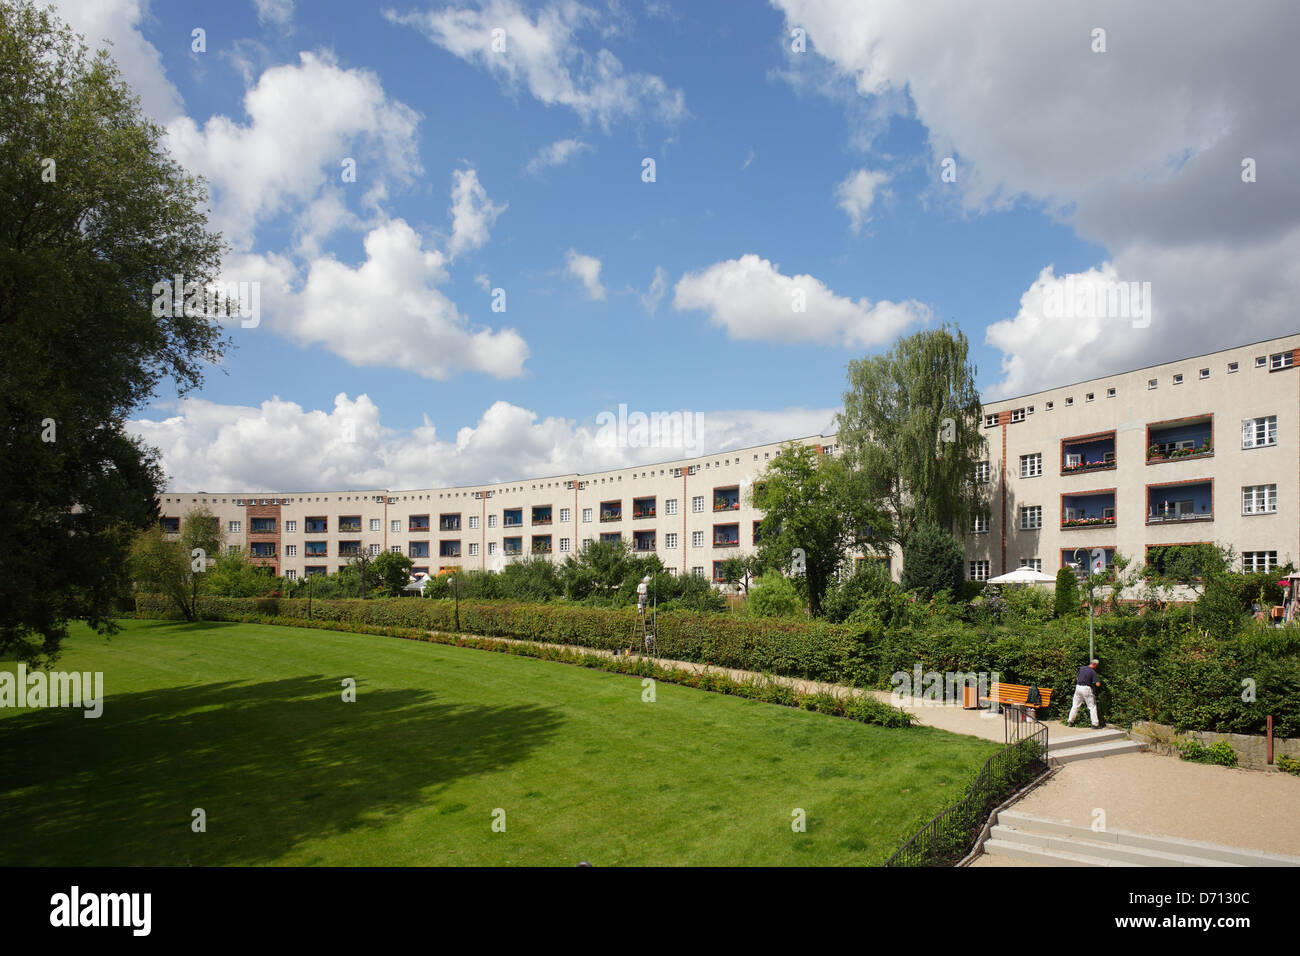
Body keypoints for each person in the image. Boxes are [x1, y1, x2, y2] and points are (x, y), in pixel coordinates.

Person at [1067, 659, 1101, 728]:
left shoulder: (1082, 668)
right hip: (1086, 688)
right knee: (1092, 706)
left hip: (1078, 687)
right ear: (1094, 664)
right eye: (1097, 666)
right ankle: (1095, 724)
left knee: (1075, 705)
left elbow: (1077, 677)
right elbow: (1098, 684)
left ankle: (1070, 721)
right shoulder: (1092, 671)